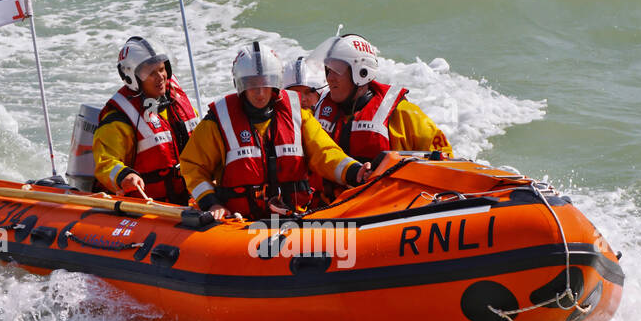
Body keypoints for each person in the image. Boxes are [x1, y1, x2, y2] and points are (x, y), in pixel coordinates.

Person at [180, 41, 372, 221]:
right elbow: (192, 166)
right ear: (240, 84)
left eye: (265, 82)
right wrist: (211, 204)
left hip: (294, 219)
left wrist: (355, 170)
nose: (260, 92)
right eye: (251, 84)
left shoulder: (297, 112)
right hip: (240, 223)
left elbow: (324, 152)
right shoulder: (219, 120)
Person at [312, 33, 454, 162]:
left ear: (362, 73)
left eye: (337, 70)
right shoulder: (317, 108)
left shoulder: (401, 113)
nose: (330, 78)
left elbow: (445, 160)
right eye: (328, 69)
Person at [92, 35, 200, 203]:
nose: (160, 77)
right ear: (131, 78)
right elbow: (104, 163)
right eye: (151, 72)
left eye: (162, 69)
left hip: (191, 198)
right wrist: (124, 176)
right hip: (148, 205)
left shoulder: (177, 100)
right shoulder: (118, 120)